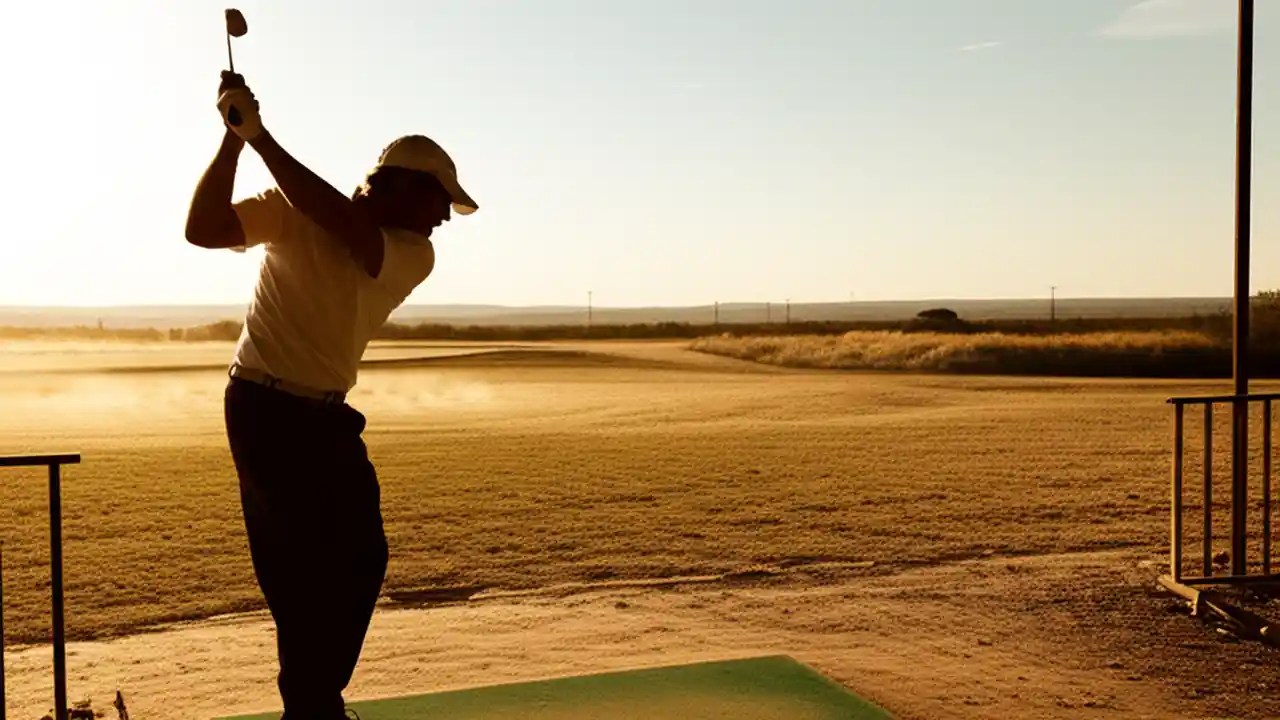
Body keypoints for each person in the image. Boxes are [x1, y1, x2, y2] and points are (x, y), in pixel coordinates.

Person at [183, 71, 478, 719]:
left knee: (357, 558)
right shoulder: (290, 211)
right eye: (439, 200)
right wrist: (233, 141)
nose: (442, 218)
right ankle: (315, 706)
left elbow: (347, 225)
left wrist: (259, 136)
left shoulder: (408, 252)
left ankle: (313, 702)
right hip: (260, 409)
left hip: (325, 418)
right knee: (295, 575)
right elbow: (201, 229)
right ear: (402, 185)